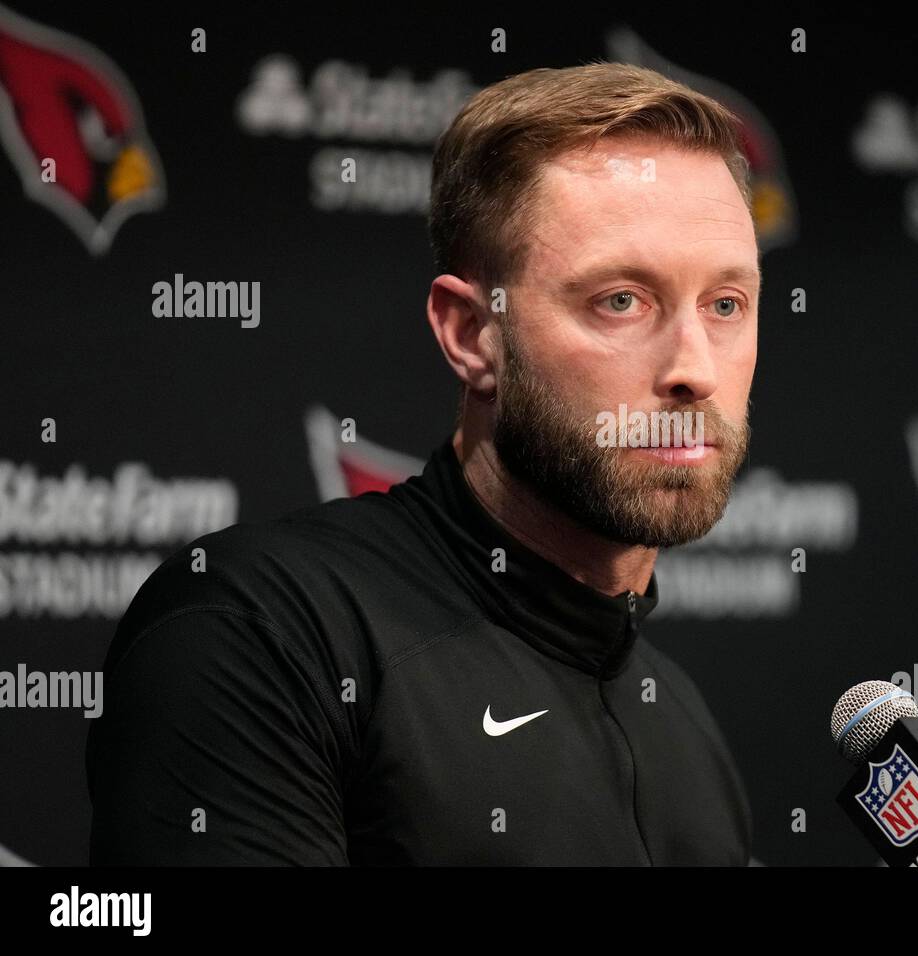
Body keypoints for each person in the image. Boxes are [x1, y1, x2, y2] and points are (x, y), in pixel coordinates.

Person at [86, 60, 761, 865]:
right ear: (472, 334)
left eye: (726, 305)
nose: (696, 366)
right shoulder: (262, 632)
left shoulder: (682, 723)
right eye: (621, 300)